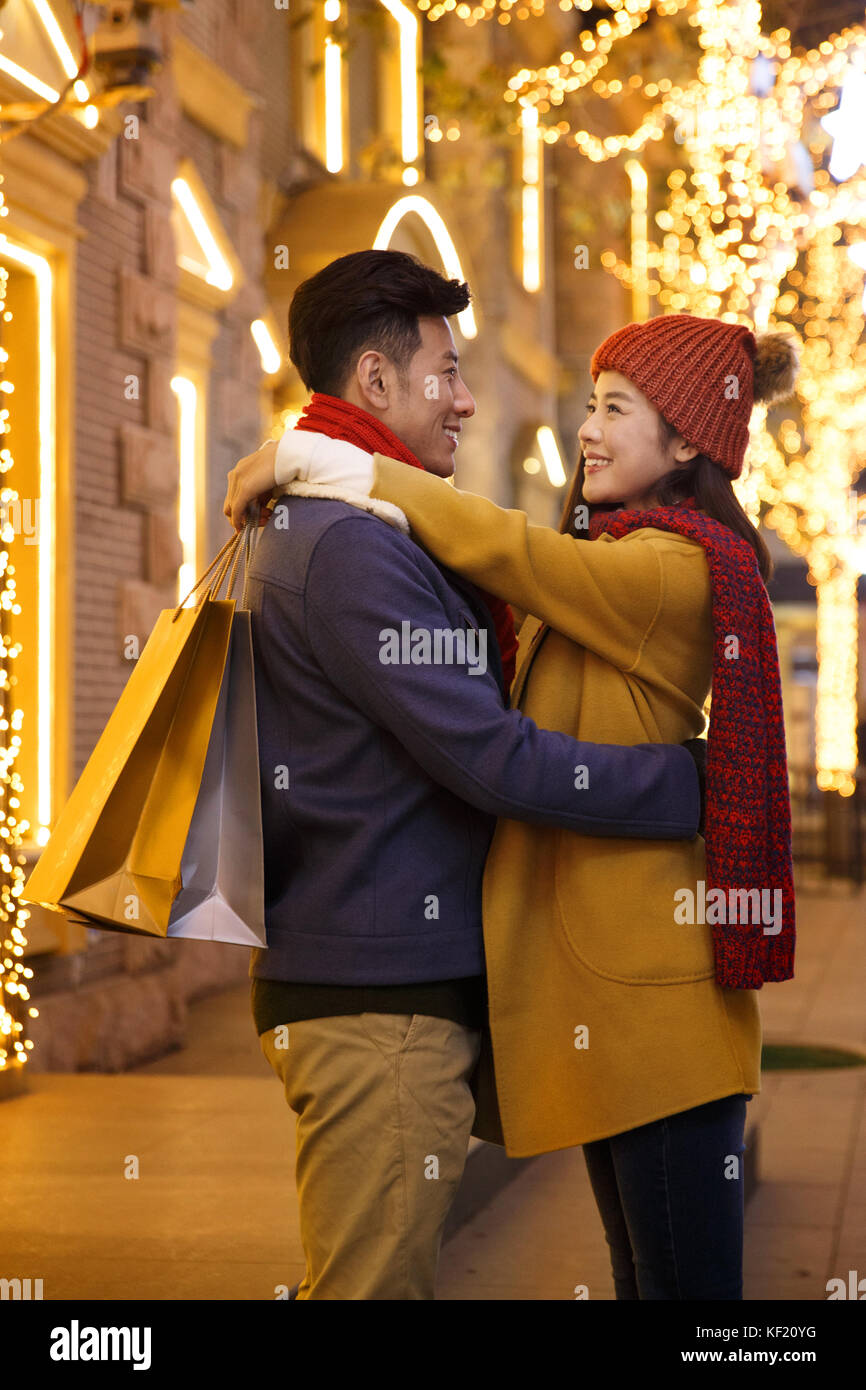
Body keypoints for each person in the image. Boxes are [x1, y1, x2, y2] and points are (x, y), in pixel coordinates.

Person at [227, 310, 798, 1300]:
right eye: (588, 403)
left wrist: (318, 459)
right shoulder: (621, 553)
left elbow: (516, 555)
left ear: (683, 443)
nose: (586, 429)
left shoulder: (669, 566)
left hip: (656, 1018)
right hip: (617, 1011)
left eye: (615, 409)